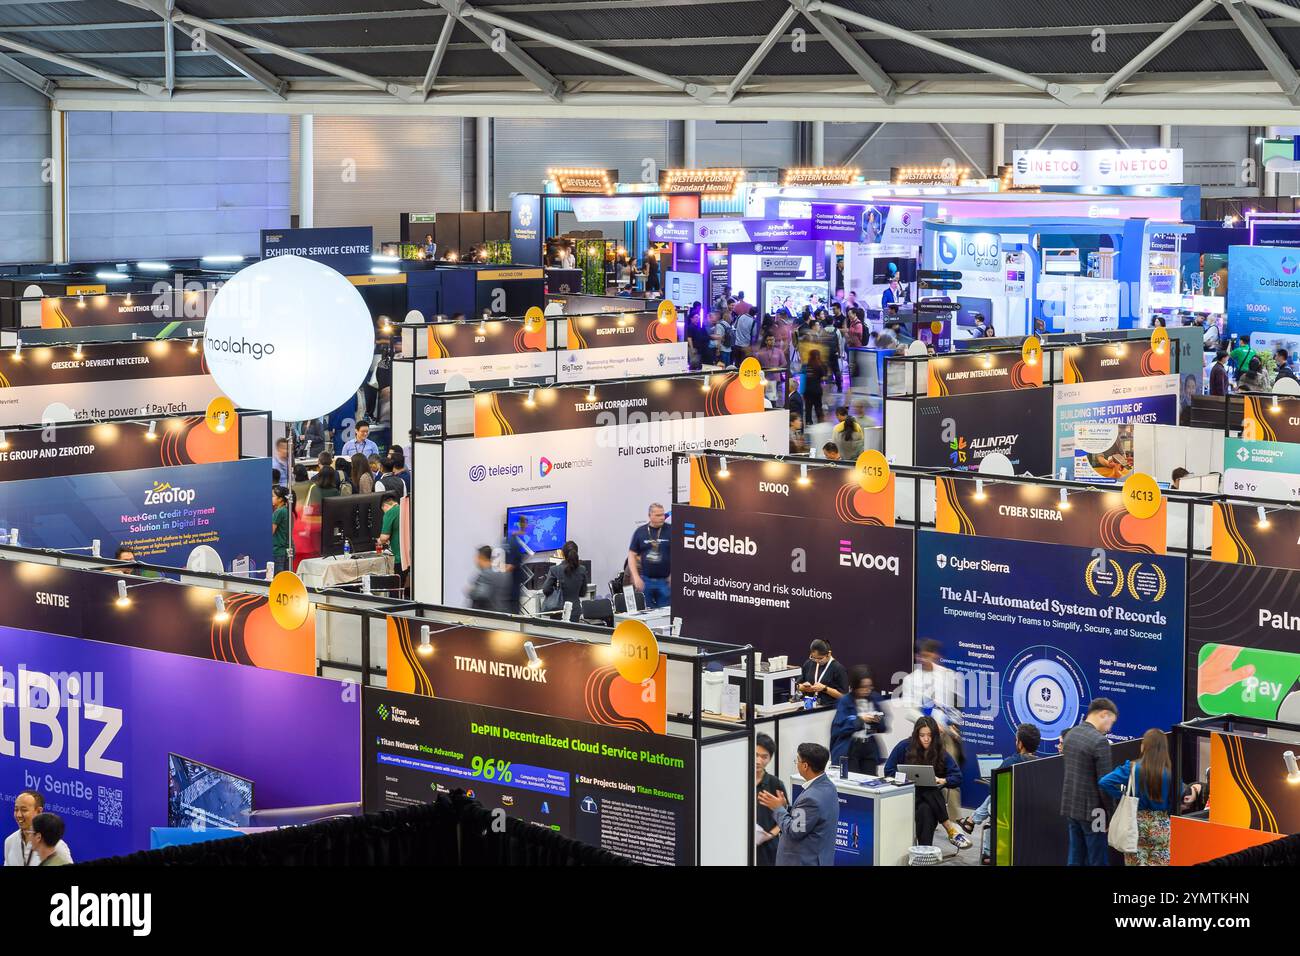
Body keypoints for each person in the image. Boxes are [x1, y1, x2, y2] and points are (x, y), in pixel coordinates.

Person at [899, 638, 965, 821]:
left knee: (951, 775)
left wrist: (953, 724)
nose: (924, 659)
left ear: (936, 656)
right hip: (922, 736)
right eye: (921, 656)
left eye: (928, 656)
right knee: (921, 776)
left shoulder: (949, 676)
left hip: (946, 736)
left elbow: (957, 705)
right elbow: (909, 709)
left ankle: (954, 819)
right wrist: (929, 724)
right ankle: (920, 816)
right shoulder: (911, 680)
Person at [958, 722, 1040, 865]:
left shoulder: (1010, 762)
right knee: (995, 800)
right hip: (1030, 812)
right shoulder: (1040, 764)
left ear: (1020, 743)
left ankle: (983, 844)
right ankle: (972, 821)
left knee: (993, 801)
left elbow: (994, 789)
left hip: (1008, 813)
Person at [884, 717, 971, 850]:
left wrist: (943, 780)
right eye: (922, 735)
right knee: (929, 790)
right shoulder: (904, 746)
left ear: (935, 736)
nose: (926, 739)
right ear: (916, 735)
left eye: (929, 735)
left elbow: (957, 777)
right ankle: (949, 828)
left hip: (927, 803)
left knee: (926, 809)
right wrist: (906, 778)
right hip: (906, 796)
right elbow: (888, 770)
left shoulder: (940, 751)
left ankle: (923, 853)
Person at [1099, 727, 1173, 866]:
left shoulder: (1132, 768)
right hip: (1162, 825)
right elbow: (1178, 797)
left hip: (1136, 824)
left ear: (1144, 746)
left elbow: (1105, 782)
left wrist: (1124, 795)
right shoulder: (1169, 773)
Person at [757, 743, 838, 866]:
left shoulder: (811, 798)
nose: (796, 763)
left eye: (798, 760)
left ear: (805, 766)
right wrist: (785, 807)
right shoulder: (829, 786)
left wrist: (777, 808)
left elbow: (793, 831)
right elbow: (807, 820)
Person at [1061, 697, 1118, 866]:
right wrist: (1110, 815)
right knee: (1098, 859)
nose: (1110, 728)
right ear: (1104, 714)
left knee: (1075, 857)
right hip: (1096, 813)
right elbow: (1105, 783)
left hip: (1071, 806)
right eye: (1111, 722)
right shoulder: (1100, 742)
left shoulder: (1071, 734)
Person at [830, 666, 887, 775]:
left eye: (869, 687)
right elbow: (841, 728)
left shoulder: (874, 698)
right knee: (853, 780)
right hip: (851, 748)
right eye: (863, 687)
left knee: (871, 779)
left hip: (869, 746)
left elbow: (884, 727)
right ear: (855, 686)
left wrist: (876, 721)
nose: (867, 690)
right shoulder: (845, 701)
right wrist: (860, 719)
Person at [5, 791, 72, 866]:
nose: (18, 815)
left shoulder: (57, 846)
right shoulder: (10, 841)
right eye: (16, 809)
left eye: (24, 810)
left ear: (39, 811)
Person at [627, 502, 671, 610]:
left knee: (665, 614)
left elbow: (680, 554)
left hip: (665, 581)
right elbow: (632, 554)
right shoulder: (640, 532)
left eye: (663, 515)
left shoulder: (671, 530)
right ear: (650, 516)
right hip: (646, 581)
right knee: (646, 612)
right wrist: (636, 576)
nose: (662, 518)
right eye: (658, 515)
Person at [754, 733, 786, 866]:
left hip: (768, 848)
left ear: (770, 759)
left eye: (764, 757)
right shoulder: (739, 779)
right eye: (755, 755)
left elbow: (787, 818)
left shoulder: (775, 784)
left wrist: (770, 835)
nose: (758, 761)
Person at [543, 540, 588, 623]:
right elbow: (582, 593)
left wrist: (555, 590)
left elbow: (546, 590)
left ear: (562, 554)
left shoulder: (555, 570)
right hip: (575, 610)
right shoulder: (582, 569)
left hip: (558, 611)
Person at [797, 639, 850, 708]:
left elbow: (844, 697)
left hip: (829, 709)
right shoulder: (809, 663)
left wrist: (825, 688)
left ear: (829, 654)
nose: (816, 661)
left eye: (820, 658)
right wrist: (803, 687)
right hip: (809, 706)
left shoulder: (838, 669)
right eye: (813, 657)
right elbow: (797, 685)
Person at [467, 545, 511, 612]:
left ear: (481, 557)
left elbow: (482, 594)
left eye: (477, 558)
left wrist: (471, 591)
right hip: (502, 613)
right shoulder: (503, 572)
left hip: (487, 615)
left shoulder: (486, 574)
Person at [376, 492, 401, 576]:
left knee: (398, 584)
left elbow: (384, 538)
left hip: (399, 555)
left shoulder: (390, 513)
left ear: (385, 506)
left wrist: (379, 540)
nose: (384, 513)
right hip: (409, 554)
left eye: (383, 511)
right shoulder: (403, 509)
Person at [803, 348, 827, 424]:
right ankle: (820, 422)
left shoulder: (806, 366)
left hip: (808, 390)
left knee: (808, 408)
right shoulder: (821, 365)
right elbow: (824, 377)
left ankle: (808, 422)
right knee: (818, 407)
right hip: (817, 390)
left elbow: (803, 378)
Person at [272, 486, 291, 574]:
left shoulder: (278, 512)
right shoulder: (286, 510)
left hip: (278, 551)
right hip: (284, 551)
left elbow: (271, 531)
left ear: (280, 499)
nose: (271, 498)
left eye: (273, 496)